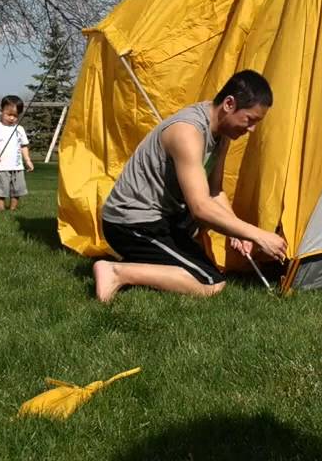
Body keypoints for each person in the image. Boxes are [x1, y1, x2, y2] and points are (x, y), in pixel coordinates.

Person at [92, 70, 288, 302]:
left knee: (206, 270)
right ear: (229, 104)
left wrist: (235, 230)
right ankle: (115, 271)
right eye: (250, 120)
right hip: (131, 223)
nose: (252, 129)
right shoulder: (187, 132)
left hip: (164, 218)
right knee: (210, 283)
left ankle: (138, 264)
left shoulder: (222, 133)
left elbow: (214, 189)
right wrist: (257, 235)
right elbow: (200, 208)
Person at [0, 95, 34, 211]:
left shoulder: (20, 129)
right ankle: (1, 210)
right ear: (1, 112)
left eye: (15, 115)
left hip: (17, 166)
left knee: (17, 190)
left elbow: (24, 146)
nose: (12, 118)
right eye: (9, 114)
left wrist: (27, 160)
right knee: (1, 190)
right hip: (2, 167)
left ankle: (12, 210)